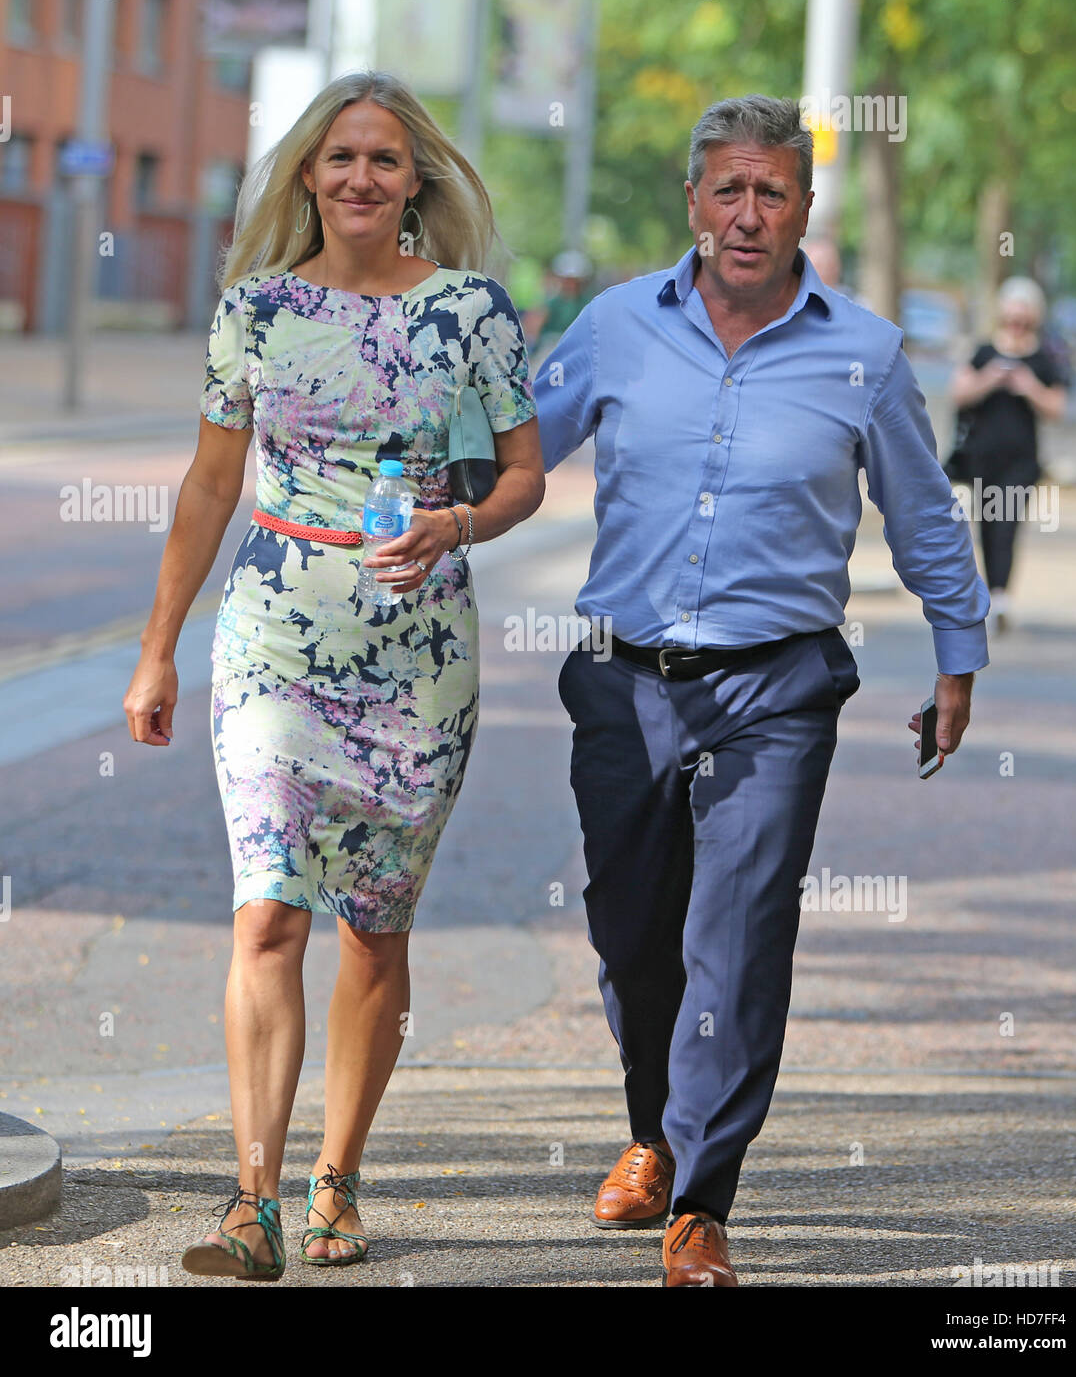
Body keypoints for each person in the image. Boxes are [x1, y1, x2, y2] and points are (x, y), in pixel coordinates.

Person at [533, 94, 989, 1286]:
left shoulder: (865, 353)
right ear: (692, 200)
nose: (747, 213)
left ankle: (701, 1199)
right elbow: (517, 444)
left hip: (778, 687)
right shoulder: (620, 324)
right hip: (624, 678)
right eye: (726, 189)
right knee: (635, 934)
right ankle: (653, 1132)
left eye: (771, 191)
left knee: (738, 933)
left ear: (803, 207)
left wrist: (958, 652)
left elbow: (923, 513)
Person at [122, 70, 543, 1280]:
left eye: (385, 159)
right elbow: (210, 487)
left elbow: (524, 478)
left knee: (371, 932)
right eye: (340, 156)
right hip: (270, 638)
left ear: (418, 181)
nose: (361, 176)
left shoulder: (472, 311)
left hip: (419, 651)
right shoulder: (253, 309)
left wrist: (453, 529)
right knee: (268, 910)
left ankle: (337, 1179)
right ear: (308, 172)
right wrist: (159, 648)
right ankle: (251, 1198)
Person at [948, 276, 1067, 632]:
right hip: (983, 458)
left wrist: (1027, 386)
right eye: (1010, 317)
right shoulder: (985, 352)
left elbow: (1057, 408)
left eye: (1022, 317)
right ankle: (993, 591)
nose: (1015, 324)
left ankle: (1000, 594)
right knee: (987, 524)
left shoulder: (1043, 358)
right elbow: (959, 393)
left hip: (1021, 461)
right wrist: (991, 379)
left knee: (1007, 522)